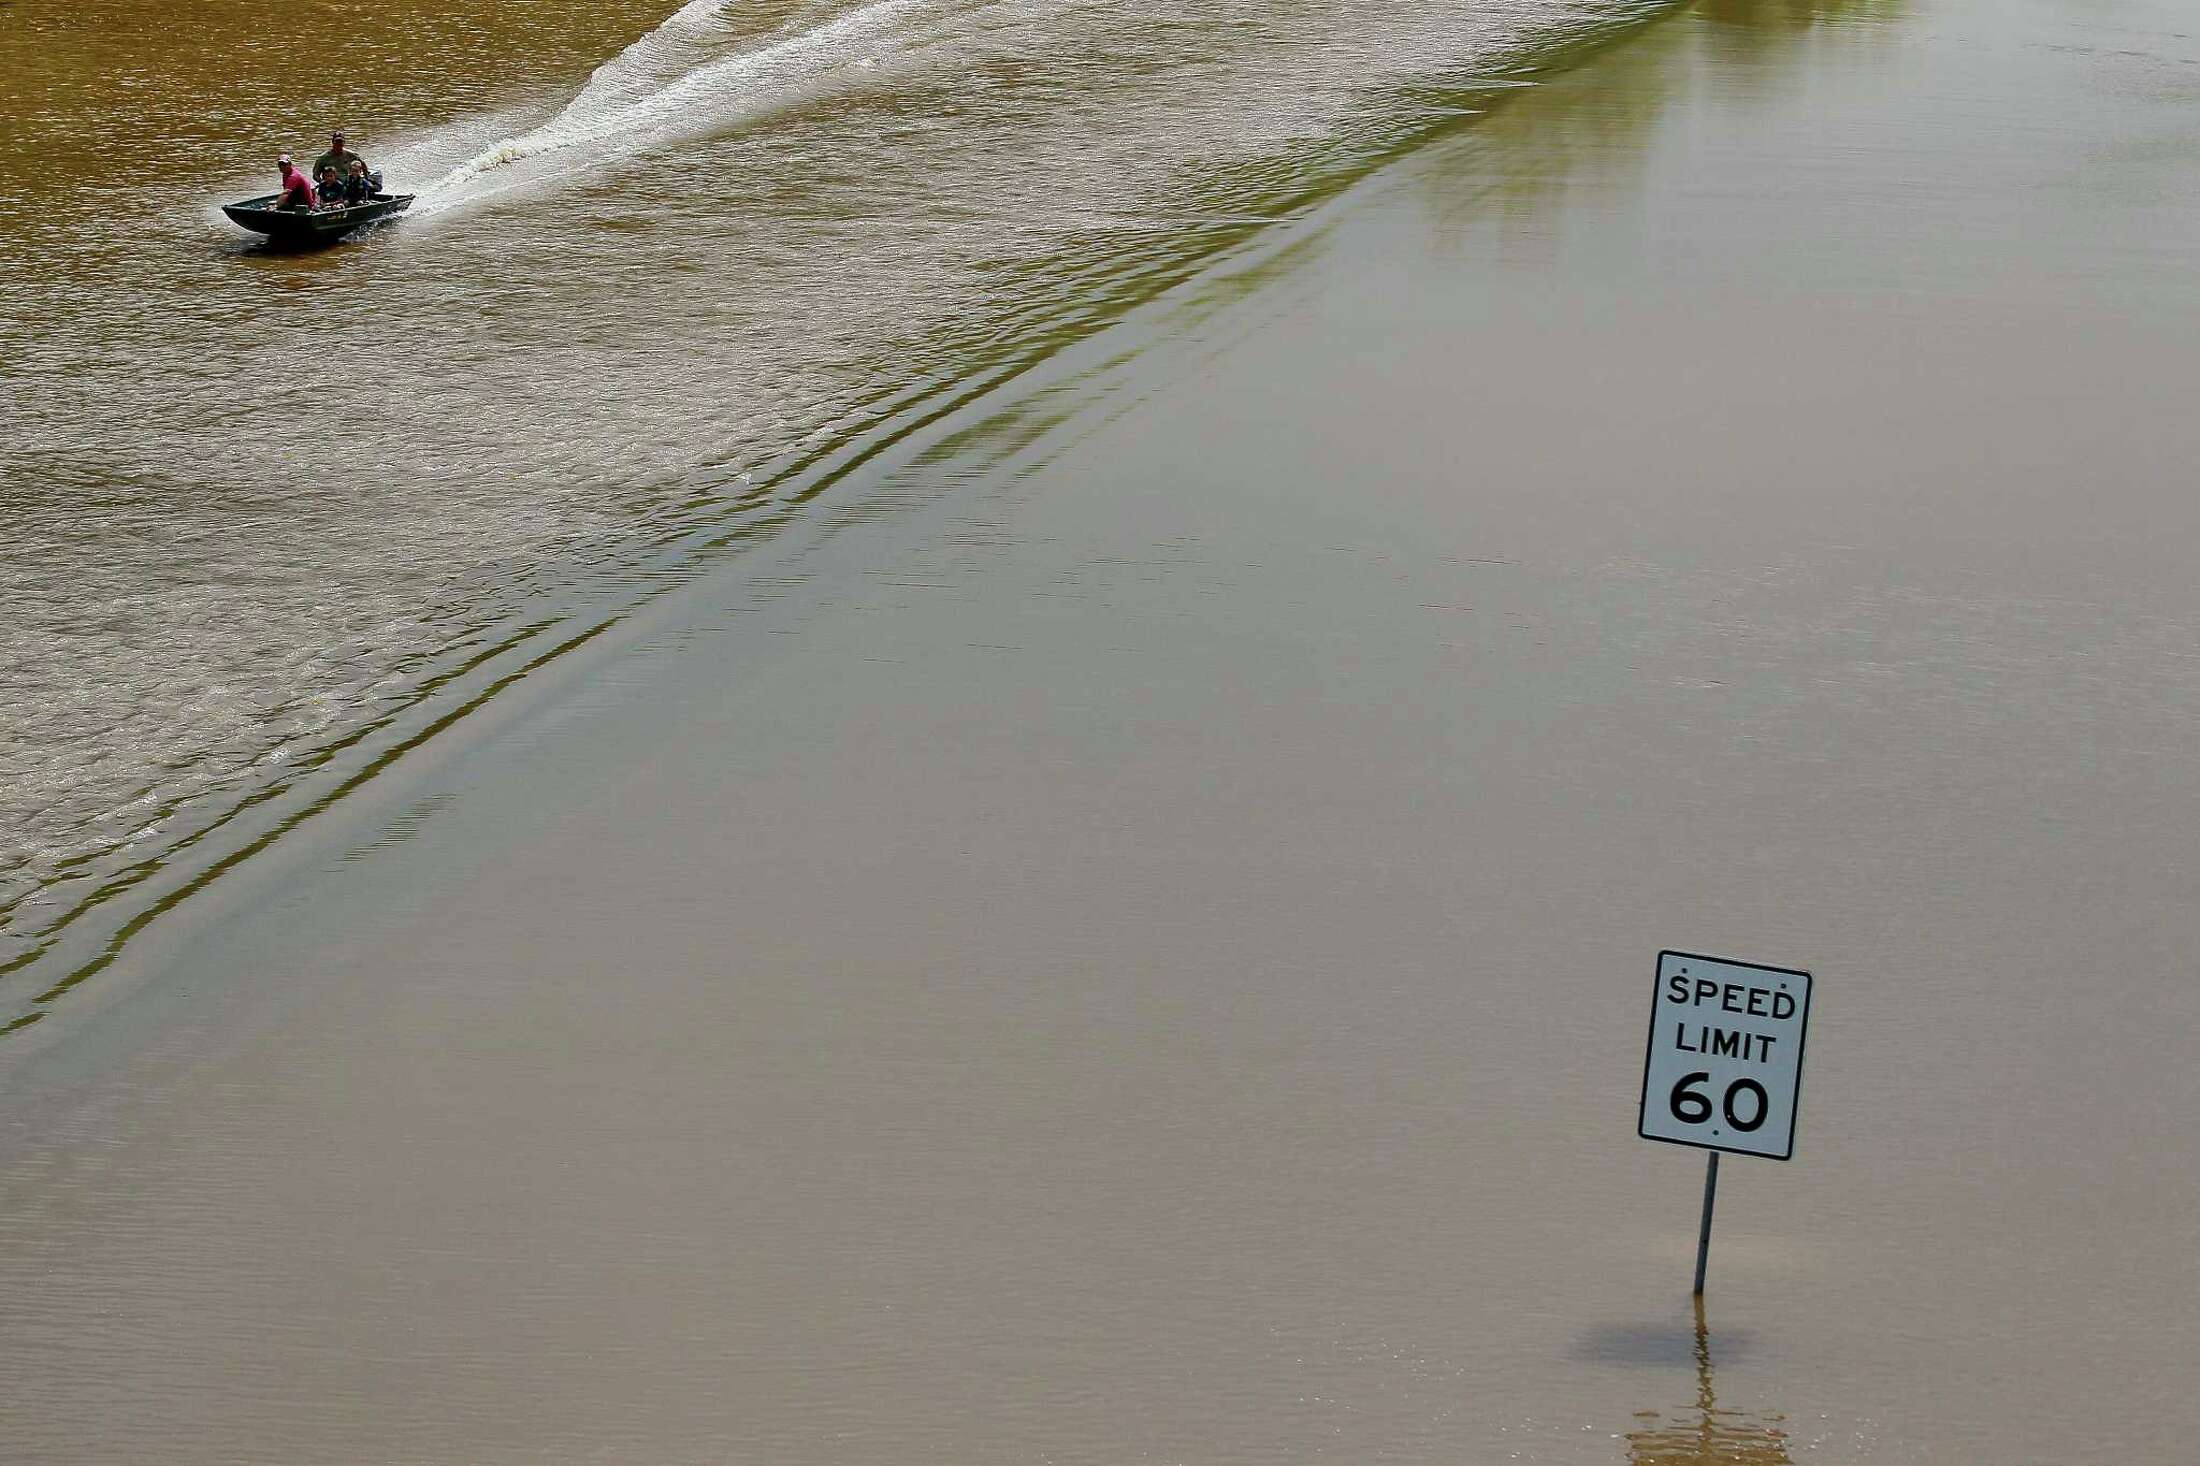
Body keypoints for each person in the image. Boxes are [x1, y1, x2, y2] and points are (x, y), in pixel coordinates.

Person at [314, 131, 379, 192]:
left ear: (344, 143)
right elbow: (316, 175)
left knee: (372, 187)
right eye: (336, 142)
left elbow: (362, 164)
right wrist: (324, 183)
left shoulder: (351, 154)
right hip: (332, 185)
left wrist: (366, 177)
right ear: (332, 142)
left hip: (348, 184)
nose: (338, 144)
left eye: (341, 142)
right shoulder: (322, 158)